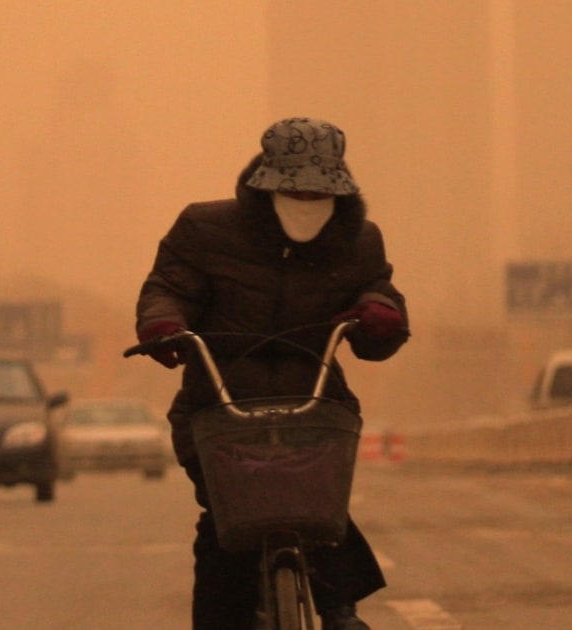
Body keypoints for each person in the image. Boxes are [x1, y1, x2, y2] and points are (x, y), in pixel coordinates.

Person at [134, 117, 410, 630]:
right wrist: (162, 324)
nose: (306, 200)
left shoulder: (359, 240)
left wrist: (379, 312)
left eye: (317, 191)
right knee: (227, 522)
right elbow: (167, 285)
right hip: (218, 404)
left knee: (316, 505)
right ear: (266, 184)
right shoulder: (202, 228)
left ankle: (340, 610)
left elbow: (378, 290)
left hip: (314, 400)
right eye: (294, 189)